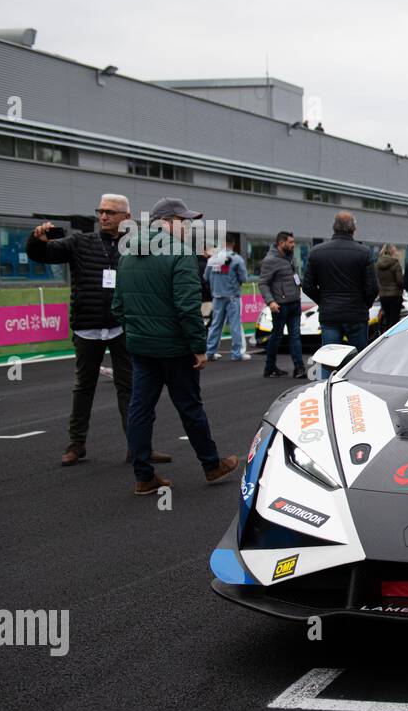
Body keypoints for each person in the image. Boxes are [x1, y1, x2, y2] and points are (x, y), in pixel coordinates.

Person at [27, 194, 170, 468]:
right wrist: (36, 239)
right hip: (87, 326)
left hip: (122, 326)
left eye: (110, 212)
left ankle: (138, 448)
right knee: (84, 387)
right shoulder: (80, 242)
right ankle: (76, 445)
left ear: (126, 217)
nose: (103, 217)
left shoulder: (137, 246)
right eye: (101, 211)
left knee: (129, 388)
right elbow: (43, 253)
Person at [112, 197, 238, 494]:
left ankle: (143, 476)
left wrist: (137, 333)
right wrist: (198, 347)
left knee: (140, 409)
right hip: (176, 349)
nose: (188, 227)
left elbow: (118, 306)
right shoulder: (181, 254)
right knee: (190, 407)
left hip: (141, 347)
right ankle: (211, 464)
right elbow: (187, 307)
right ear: (167, 222)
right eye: (184, 222)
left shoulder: (127, 252)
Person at [302, 211, 378, 348]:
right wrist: (365, 303)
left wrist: (323, 300)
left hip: (330, 312)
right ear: (353, 229)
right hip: (356, 312)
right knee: (358, 358)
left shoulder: (316, 252)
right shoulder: (364, 252)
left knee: (329, 359)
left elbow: (307, 286)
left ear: (334, 227)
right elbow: (372, 287)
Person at [258, 231, 305, 379]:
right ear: (281, 243)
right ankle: (269, 367)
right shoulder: (270, 260)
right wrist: (271, 301)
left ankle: (299, 368)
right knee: (277, 337)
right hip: (280, 305)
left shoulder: (289, 258)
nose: (293, 244)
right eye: (290, 242)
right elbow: (263, 283)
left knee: (295, 337)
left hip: (294, 303)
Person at [204, 232, 251, 361]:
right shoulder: (237, 259)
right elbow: (244, 278)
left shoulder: (213, 259)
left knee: (215, 325)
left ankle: (209, 352)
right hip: (232, 296)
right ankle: (237, 353)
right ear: (233, 244)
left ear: (222, 243)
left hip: (217, 296)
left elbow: (206, 277)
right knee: (234, 325)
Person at [375, 243, 405, 327]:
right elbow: (399, 281)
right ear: (392, 251)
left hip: (383, 295)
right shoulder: (395, 263)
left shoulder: (378, 264)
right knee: (395, 320)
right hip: (395, 295)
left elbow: (377, 279)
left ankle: (385, 335)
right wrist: (401, 289)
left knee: (387, 318)